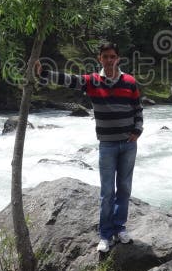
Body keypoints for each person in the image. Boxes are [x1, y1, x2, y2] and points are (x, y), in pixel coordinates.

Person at [37, 42, 143, 253]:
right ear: (99, 59)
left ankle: (120, 228)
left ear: (118, 58)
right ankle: (105, 235)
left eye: (113, 56)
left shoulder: (130, 82)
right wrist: (45, 73)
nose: (110, 60)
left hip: (129, 145)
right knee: (106, 192)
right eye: (106, 56)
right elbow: (70, 80)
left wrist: (137, 130)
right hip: (107, 145)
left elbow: (137, 108)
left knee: (124, 189)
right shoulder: (93, 81)